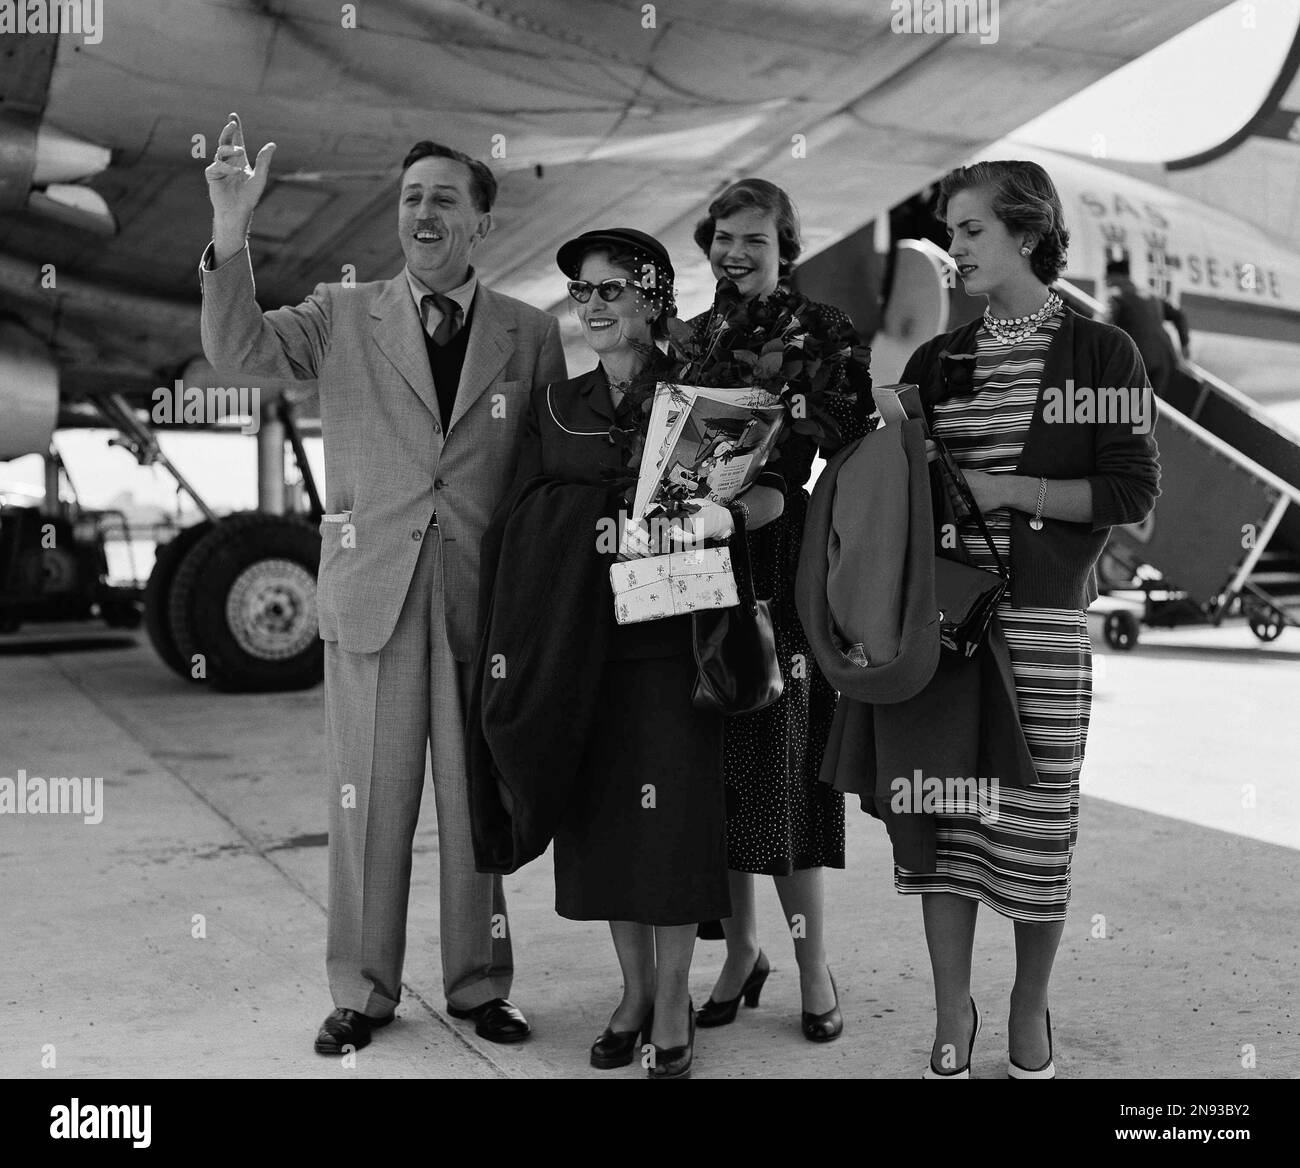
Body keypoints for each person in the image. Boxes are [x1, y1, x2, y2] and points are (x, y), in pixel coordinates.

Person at [200, 115, 566, 1054]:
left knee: (475, 806)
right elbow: (238, 350)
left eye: (446, 197)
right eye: (411, 198)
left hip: (480, 605)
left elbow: (546, 480)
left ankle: (482, 983)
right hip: (373, 598)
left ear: (482, 221)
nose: (423, 213)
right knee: (367, 803)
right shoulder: (342, 312)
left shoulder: (528, 333)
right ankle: (363, 990)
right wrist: (231, 228)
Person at [482, 227, 783, 1078]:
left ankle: (675, 997)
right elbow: (523, 510)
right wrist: (592, 520)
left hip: (677, 639)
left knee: (676, 828)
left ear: (651, 296)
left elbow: (772, 494)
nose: (593, 306)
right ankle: (633, 992)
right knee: (607, 826)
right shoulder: (556, 406)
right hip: (584, 644)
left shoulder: (704, 394)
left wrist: (725, 516)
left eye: (611, 289)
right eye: (581, 292)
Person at [894, 159, 1159, 1077]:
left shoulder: (1103, 355)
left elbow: (1130, 489)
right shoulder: (937, 361)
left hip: (1041, 622)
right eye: (951, 232)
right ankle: (947, 1010)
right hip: (944, 627)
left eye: (969, 231)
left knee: (1039, 821)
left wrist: (1010, 487)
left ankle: (1027, 1002)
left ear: (1027, 231)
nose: (953, 248)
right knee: (942, 820)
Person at [689, 178, 872, 1042]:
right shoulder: (691, 340)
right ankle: (738, 954)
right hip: (699, 562)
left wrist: (778, 469)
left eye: (755, 240)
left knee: (784, 774)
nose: (736, 253)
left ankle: (813, 969)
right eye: (725, 237)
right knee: (716, 774)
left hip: (778, 562)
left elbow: (851, 436)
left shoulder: (825, 331)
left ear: (785, 245)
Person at [1105, 251, 1190, 394]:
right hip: (1165, 360)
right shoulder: (1152, 294)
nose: (1107, 283)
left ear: (1115, 277)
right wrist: (1185, 345)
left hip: (1138, 359)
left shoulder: (1116, 296)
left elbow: (1104, 326)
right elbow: (1179, 315)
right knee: (1150, 407)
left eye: (1107, 278)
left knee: (1127, 407)